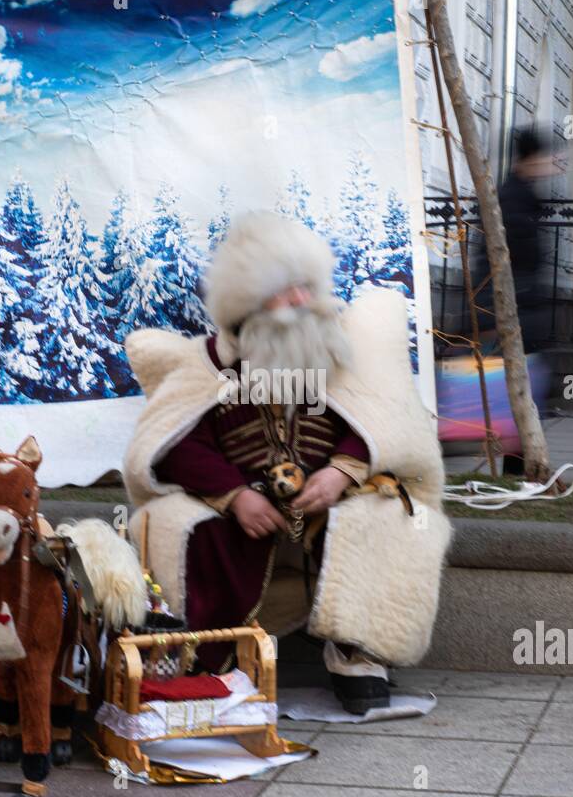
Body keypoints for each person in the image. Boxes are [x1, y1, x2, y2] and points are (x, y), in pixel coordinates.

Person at [122, 213, 451, 714]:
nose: (301, 301)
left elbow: (390, 418)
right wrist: (237, 495)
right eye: (284, 290)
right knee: (181, 526)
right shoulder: (205, 362)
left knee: (388, 517)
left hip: (337, 502)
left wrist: (345, 468)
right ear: (247, 300)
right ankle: (212, 657)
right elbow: (174, 442)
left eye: (305, 286)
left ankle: (358, 657)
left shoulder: (345, 350)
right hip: (242, 515)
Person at [471, 125, 561, 352]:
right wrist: (491, 320)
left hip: (518, 314)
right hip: (509, 316)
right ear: (532, 159)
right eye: (549, 158)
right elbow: (491, 260)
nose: (555, 165)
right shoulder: (512, 199)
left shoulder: (523, 197)